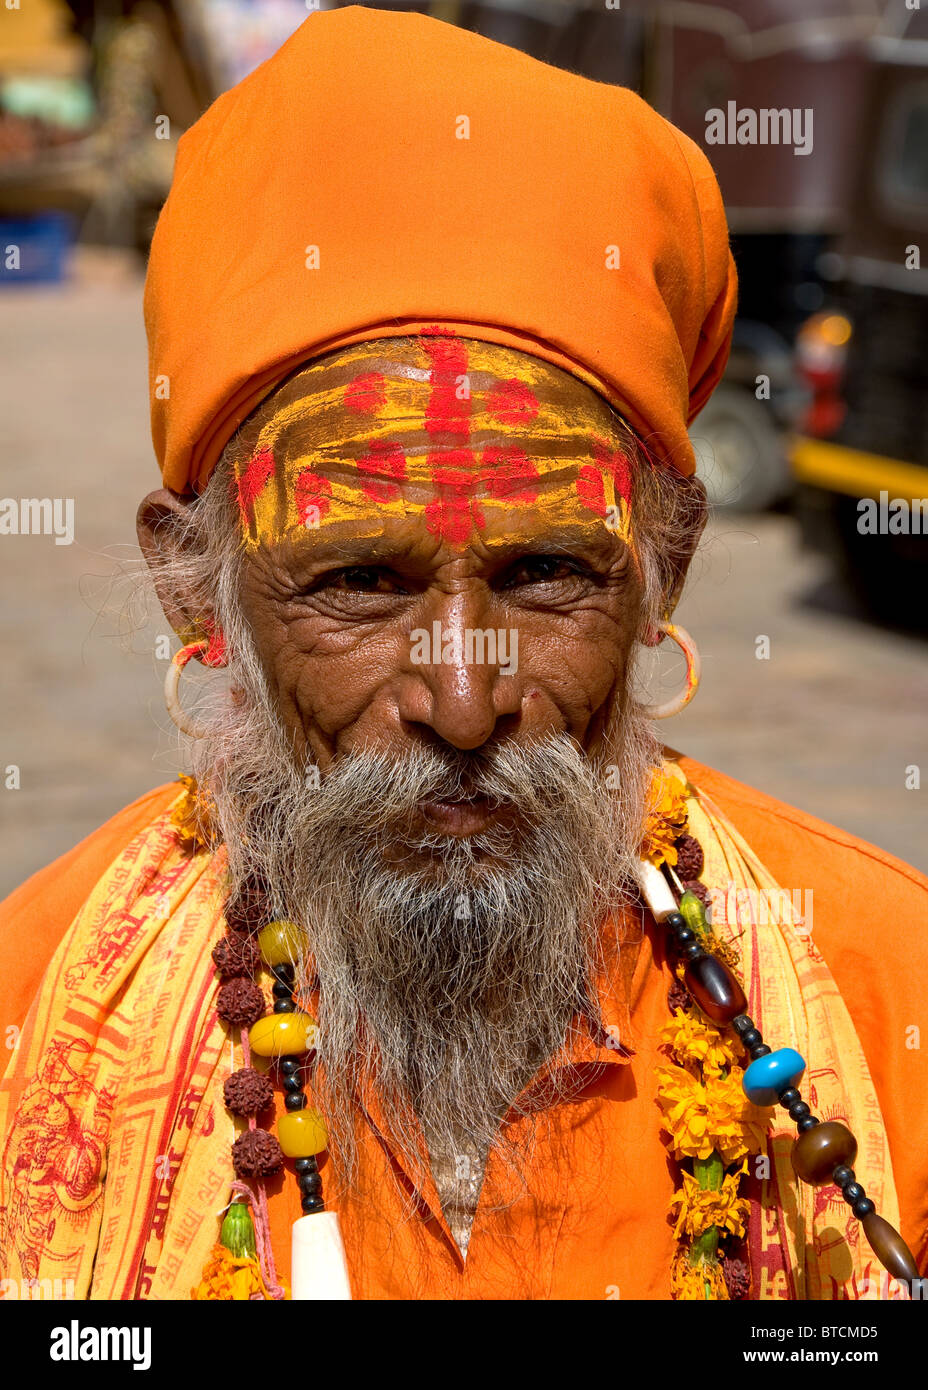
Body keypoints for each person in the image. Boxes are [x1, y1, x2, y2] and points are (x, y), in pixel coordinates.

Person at [1, 6, 925, 1302]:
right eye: (360, 581)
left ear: (665, 566)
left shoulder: (890, 991)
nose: (463, 693)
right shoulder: (30, 1012)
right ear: (191, 586)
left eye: (547, 572)